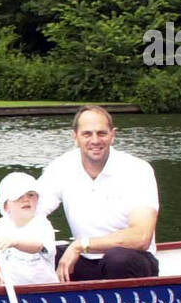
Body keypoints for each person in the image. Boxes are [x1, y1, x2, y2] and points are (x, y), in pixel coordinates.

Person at [38, 104, 159, 281]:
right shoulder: (60, 167)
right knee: (40, 254)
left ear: (113, 135)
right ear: (75, 137)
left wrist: (80, 245)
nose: (95, 140)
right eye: (87, 134)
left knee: (117, 259)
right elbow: (27, 212)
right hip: (86, 260)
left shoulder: (137, 170)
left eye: (101, 133)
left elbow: (141, 237)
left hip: (132, 261)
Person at [0, 172, 57, 285]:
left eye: (31, 195)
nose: (26, 199)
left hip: (45, 290)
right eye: (18, 197)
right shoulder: (2, 224)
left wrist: (15, 242)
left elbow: (38, 246)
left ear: (38, 199)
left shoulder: (42, 224)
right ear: (6, 206)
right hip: (11, 288)